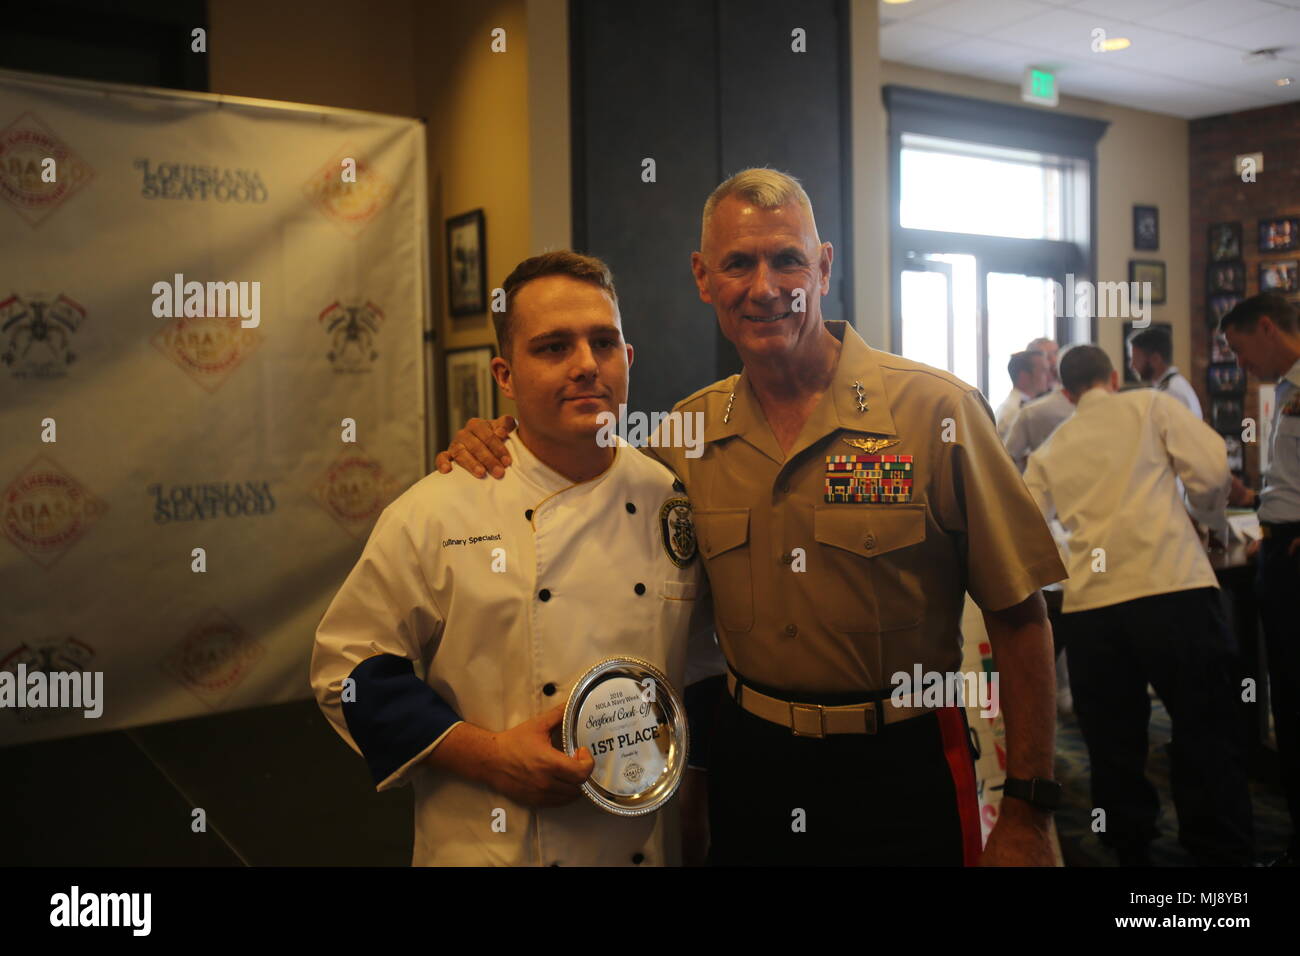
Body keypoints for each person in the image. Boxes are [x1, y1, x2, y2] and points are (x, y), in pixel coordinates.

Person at [439, 168, 1068, 866]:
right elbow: (586, 484)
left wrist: (1029, 809)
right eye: (738, 263)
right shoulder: (684, 436)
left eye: (787, 259)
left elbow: (1022, 615)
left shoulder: (937, 413)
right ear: (704, 278)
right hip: (751, 764)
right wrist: (499, 439)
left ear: (823, 267)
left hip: (901, 765)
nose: (765, 287)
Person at [311, 251, 723, 866]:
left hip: (644, 844)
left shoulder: (673, 497)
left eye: (603, 343)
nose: (587, 366)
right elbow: (347, 671)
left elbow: (699, 671)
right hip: (492, 844)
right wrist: (490, 755)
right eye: (554, 347)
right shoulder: (437, 511)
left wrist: (694, 801)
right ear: (504, 375)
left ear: (628, 359)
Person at [1023, 344, 1253, 866]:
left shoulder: (1051, 450)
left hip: (1093, 608)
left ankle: (1129, 847)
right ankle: (1220, 851)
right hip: (1173, 587)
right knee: (1205, 726)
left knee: (1113, 742)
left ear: (1065, 393)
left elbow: (1029, 528)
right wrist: (1209, 517)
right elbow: (1212, 468)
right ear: (1112, 377)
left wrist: (1073, 554)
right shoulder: (1149, 405)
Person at [1222, 293, 1300, 867]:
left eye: (1240, 350)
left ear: (1267, 328)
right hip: (1276, 552)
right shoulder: (1284, 390)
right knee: (1286, 697)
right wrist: (1257, 505)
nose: (1240, 365)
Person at [1006, 337, 1074, 472]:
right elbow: (1008, 458)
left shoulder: (1062, 396)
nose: (1054, 362)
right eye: (1048, 357)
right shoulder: (1020, 410)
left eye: (1056, 354)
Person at [1128, 326, 1202, 418]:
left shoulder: (1172, 392)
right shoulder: (1171, 386)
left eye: (1136, 359)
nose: (1132, 366)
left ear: (1155, 359)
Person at [995, 350, 1049, 443]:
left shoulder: (1012, 405)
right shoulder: (1014, 411)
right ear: (1024, 376)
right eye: (1043, 371)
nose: (1048, 376)